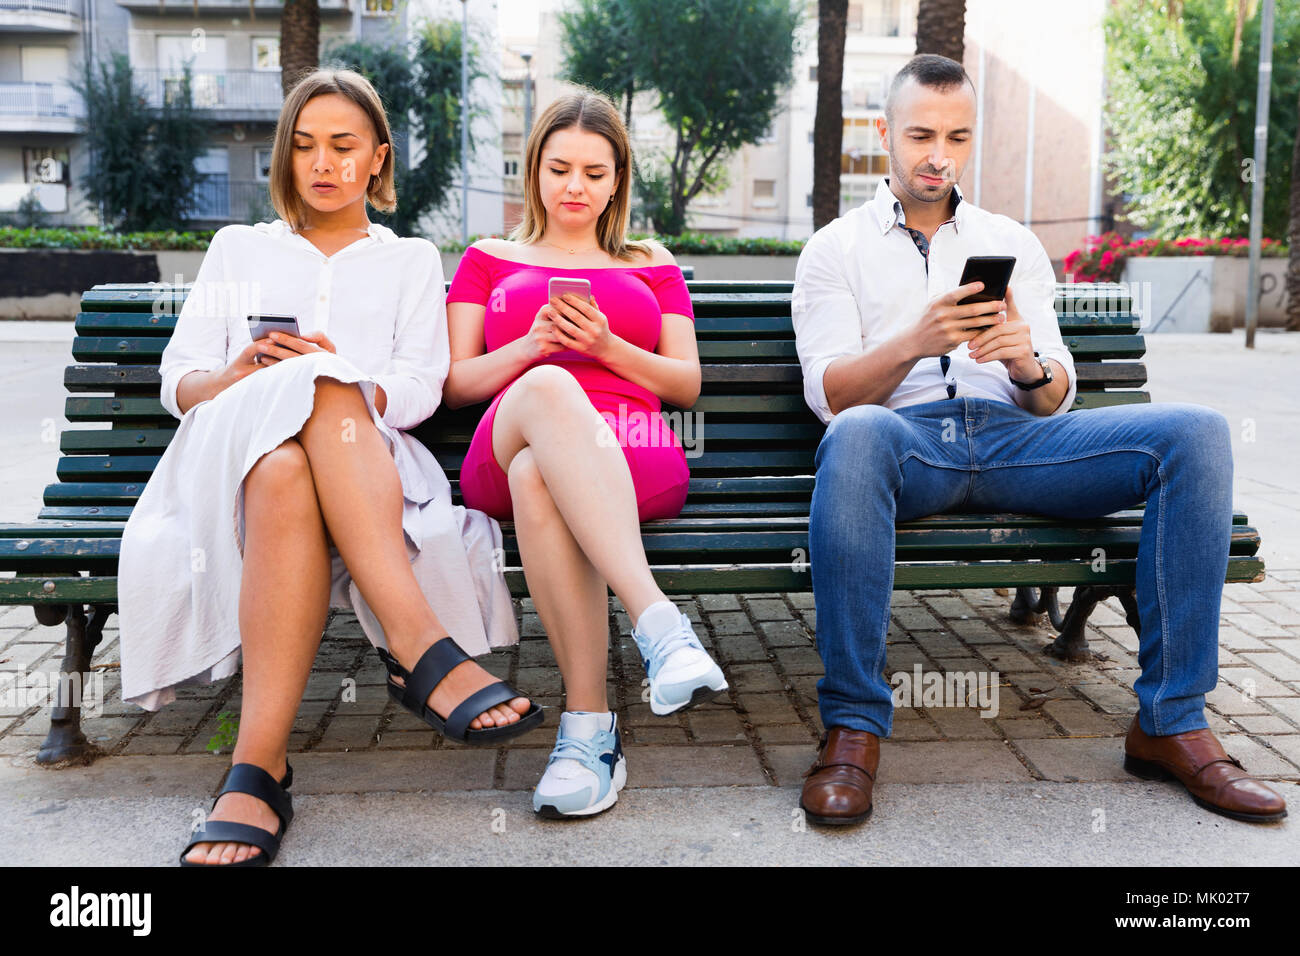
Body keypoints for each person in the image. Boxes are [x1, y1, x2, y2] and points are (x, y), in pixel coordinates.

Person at [792, 54, 1287, 827]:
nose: (938, 154)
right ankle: (854, 726)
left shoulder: (1011, 242)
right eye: (921, 134)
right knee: (856, 433)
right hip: (906, 444)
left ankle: (1171, 722)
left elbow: (1056, 399)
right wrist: (914, 341)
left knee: (1197, 433)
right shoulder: (835, 249)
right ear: (884, 132)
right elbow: (830, 399)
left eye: (957, 136)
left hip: (1017, 440)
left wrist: (1025, 359)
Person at [117, 69, 540, 867]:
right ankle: (423, 651)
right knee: (289, 416)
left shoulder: (411, 257)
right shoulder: (238, 248)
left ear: (377, 158)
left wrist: (340, 375)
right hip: (229, 451)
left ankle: (256, 772)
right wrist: (243, 377)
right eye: (305, 146)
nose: (323, 162)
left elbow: (419, 385)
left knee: (301, 437)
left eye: (344, 146)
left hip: (359, 456)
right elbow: (180, 378)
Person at [444, 90, 728, 818]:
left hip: (631, 451)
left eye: (595, 173)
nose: (576, 187)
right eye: (560, 167)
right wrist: (534, 347)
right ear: (534, 170)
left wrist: (606, 347)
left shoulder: (651, 261)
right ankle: (659, 624)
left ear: (617, 179)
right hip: (509, 435)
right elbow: (455, 383)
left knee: (546, 473)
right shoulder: (487, 257)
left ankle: (589, 734)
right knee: (544, 398)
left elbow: (686, 384)